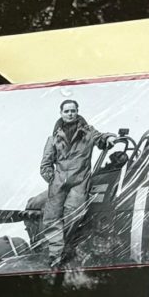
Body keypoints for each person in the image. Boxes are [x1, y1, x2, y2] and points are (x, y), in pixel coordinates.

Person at [38, 98, 106, 260]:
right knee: (52, 218)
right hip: (58, 183)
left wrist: (108, 139)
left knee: (74, 215)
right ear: (61, 113)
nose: (70, 114)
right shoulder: (53, 138)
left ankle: (64, 250)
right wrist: (53, 179)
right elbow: (45, 164)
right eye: (66, 111)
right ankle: (55, 255)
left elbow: (100, 139)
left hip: (79, 182)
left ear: (77, 112)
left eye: (73, 111)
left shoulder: (88, 133)